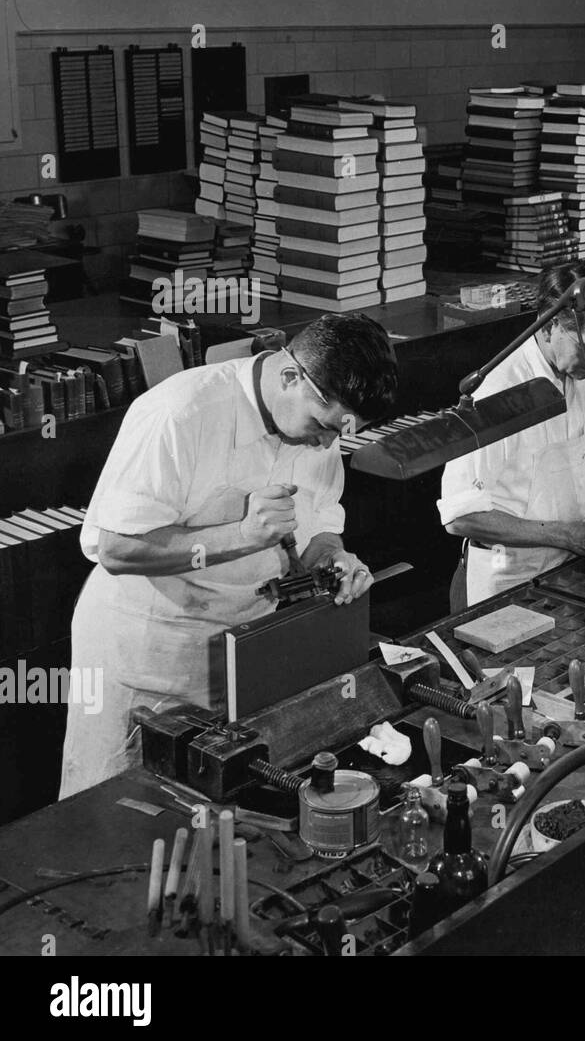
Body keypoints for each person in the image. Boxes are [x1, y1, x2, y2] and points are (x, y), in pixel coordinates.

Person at [59, 313, 398, 798]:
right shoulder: (181, 412)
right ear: (289, 377)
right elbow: (114, 547)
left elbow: (318, 522)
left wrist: (332, 555)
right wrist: (239, 535)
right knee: (116, 812)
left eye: (340, 432)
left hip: (244, 650)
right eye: (323, 427)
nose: (328, 443)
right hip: (149, 655)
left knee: (215, 807)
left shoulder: (317, 425)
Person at [439, 260, 585, 606]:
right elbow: (460, 516)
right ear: (547, 328)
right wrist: (567, 535)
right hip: (508, 580)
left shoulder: (584, 373)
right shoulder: (498, 391)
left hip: (571, 573)